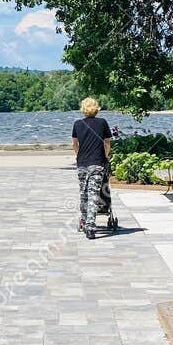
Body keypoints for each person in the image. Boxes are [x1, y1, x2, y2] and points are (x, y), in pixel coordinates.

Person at [71, 96, 113, 240]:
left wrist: (78, 156)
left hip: (82, 163)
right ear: (96, 108)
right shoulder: (102, 123)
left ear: (83, 109)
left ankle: (83, 221)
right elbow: (107, 142)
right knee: (94, 194)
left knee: (83, 193)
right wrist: (106, 156)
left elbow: (75, 144)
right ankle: (90, 226)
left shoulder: (77, 124)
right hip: (97, 163)